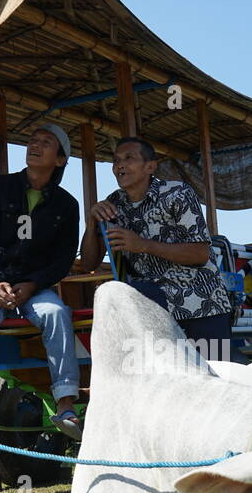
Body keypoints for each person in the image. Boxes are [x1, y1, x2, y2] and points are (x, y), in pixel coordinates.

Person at [0, 123, 82, 441]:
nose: (35, 145)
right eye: (32, 140)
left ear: (61, 159)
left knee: (56, 313)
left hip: (34, 287)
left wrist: (32, 284)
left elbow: (63, 259)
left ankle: (66, 406)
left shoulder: (67, 205)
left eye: (46, 142)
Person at [84, 137, 234, 360]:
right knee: (162, 386)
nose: (119, 165)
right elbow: (88, 264)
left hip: (201, 306)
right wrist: (91, 223)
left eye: (129, 158)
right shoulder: (112, 204)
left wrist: (142, 245)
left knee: (218, 377)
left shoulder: (177, 193)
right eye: (116, 161)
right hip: (150, 313)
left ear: (150, 167)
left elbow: (200, 253)